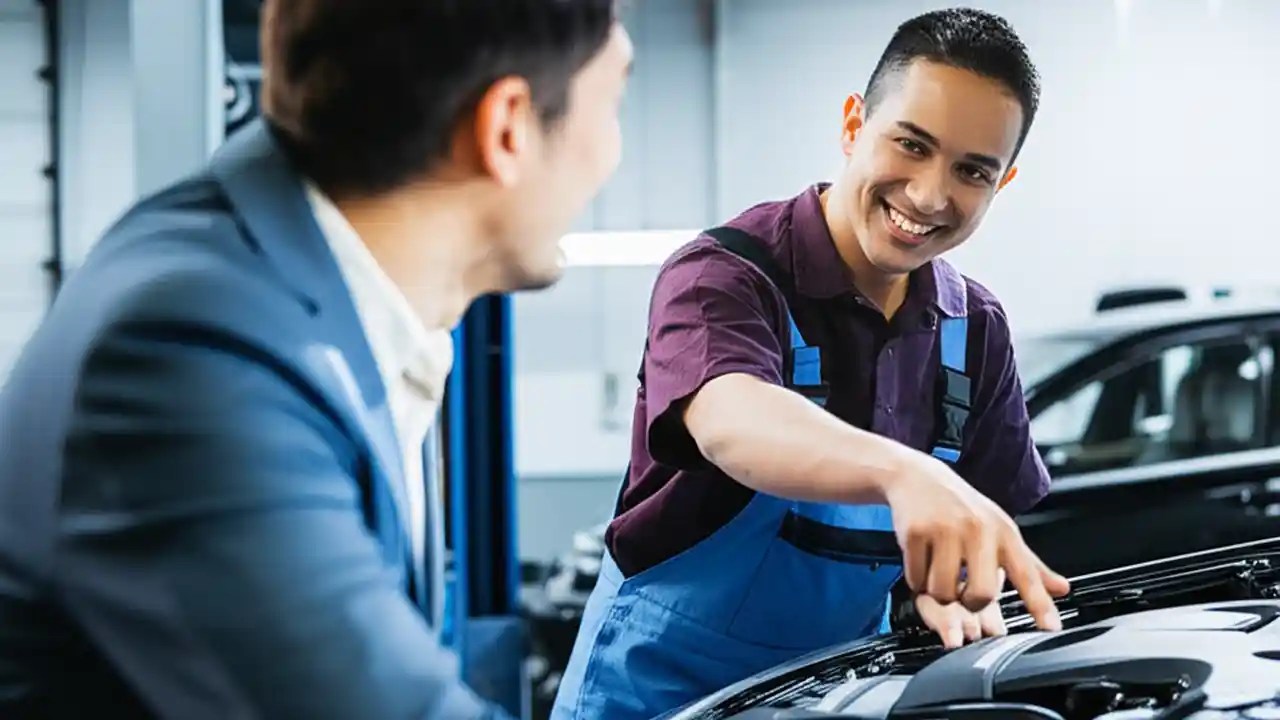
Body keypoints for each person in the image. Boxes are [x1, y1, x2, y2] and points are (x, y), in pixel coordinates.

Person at [0, 1, 631, 718]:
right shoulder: (191, 354)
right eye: (612, 102)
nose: (615, 152)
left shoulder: (320, 305)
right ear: (507, 128)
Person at [552, 8, 1071, 720]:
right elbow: (730, 418)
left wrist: (958, 591)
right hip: (657, 696)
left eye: (971, 171)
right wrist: (901, 472)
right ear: (855, 124)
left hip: (834, 698)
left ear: (1003, 182)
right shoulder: (724, 275)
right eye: (911, 145)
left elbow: (978, 533)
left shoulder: (975, 331)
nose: (928, 195)